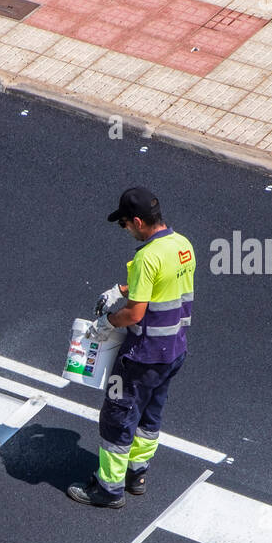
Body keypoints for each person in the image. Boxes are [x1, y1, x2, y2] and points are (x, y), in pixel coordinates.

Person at [68, 186, 195, 508]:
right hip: (173, 351)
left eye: (124, 224)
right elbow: (163, 283)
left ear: (137, 221)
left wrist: (107, 322)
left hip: (142, 356)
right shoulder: (182, 246)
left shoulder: (146, 256)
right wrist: (123, 288)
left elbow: (134, 313)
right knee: (149, 417)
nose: (125, 230)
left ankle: (108, 490)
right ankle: (136, 475)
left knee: (118, 417)